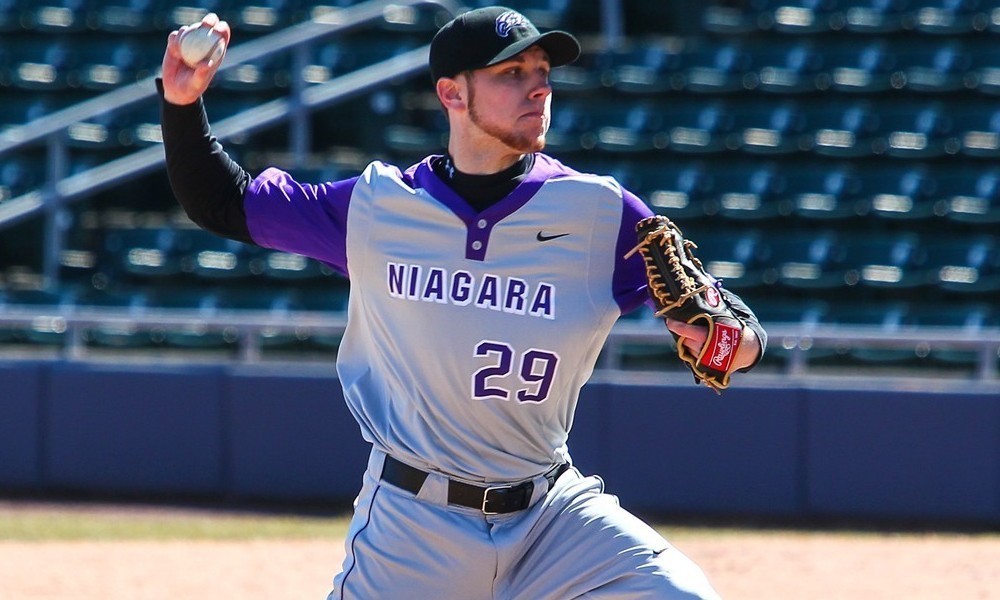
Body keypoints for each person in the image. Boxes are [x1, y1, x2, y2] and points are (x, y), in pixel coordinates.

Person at [159, 6, 766, 599]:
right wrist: (183, 106)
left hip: (551, 517)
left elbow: (728, 325)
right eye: (511, 74)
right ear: (452, 94)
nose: (537, 89)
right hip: (412, 521)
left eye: (542, 73)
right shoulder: (377, 207)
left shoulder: (598, 211)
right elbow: (221, 202)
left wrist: (731, 340)